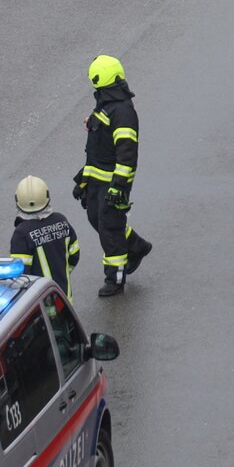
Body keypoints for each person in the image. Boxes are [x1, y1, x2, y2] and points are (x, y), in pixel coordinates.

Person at [75, 55, 152, 298]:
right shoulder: (107, 104)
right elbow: (97, 150)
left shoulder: (122, 112)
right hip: (99, 181)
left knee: (109, 228)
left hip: (113, 184)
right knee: (96, 219)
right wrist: (84, 180)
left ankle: (115, 277)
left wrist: (118, 187)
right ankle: (136, 246)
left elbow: (127, 153)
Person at [10, 176, 81, 303]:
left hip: (38, 303)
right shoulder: (61, 221)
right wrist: (63, 271)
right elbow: (74, 254)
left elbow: (21, 273)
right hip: (63, 297)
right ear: (46, 196)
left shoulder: (21, 233)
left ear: (18, 200)